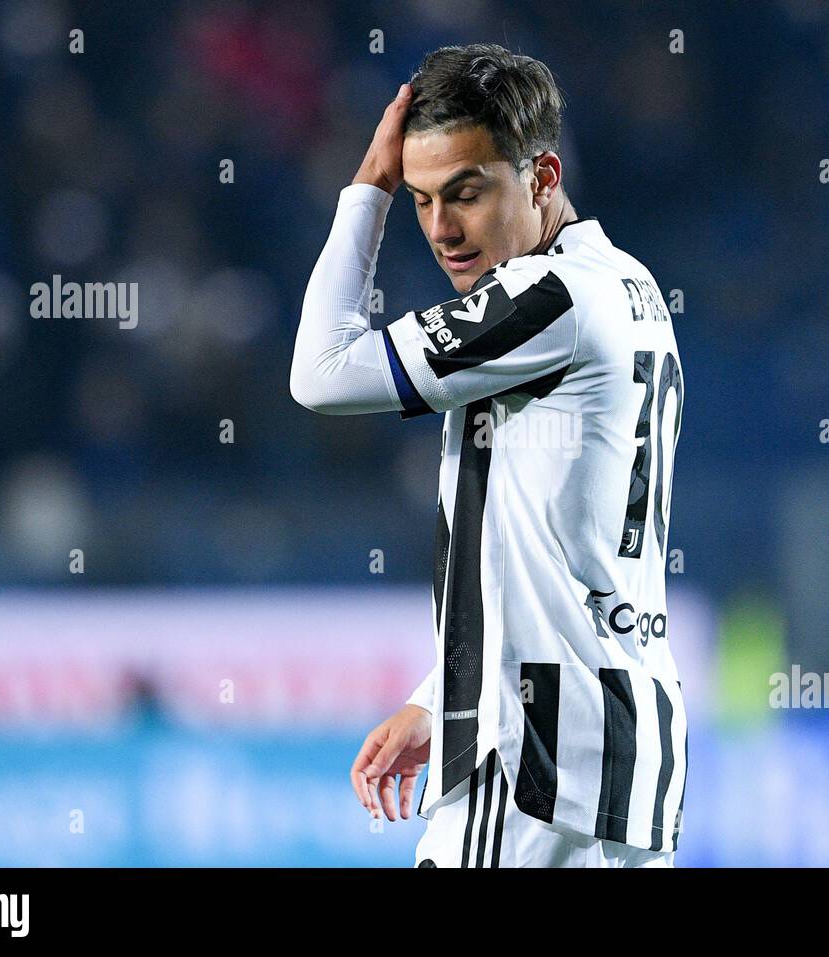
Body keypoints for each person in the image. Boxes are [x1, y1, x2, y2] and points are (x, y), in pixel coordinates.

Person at [290, 43, 687, 867]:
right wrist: (443, 700)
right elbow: (548, 540)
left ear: (542, 177)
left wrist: (368, 188)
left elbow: (319, 373)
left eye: (466, 194)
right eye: (421, 199)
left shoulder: (548, 296)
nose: (441, 229)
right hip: (618, 752)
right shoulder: (631, 284)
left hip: (530, 762)